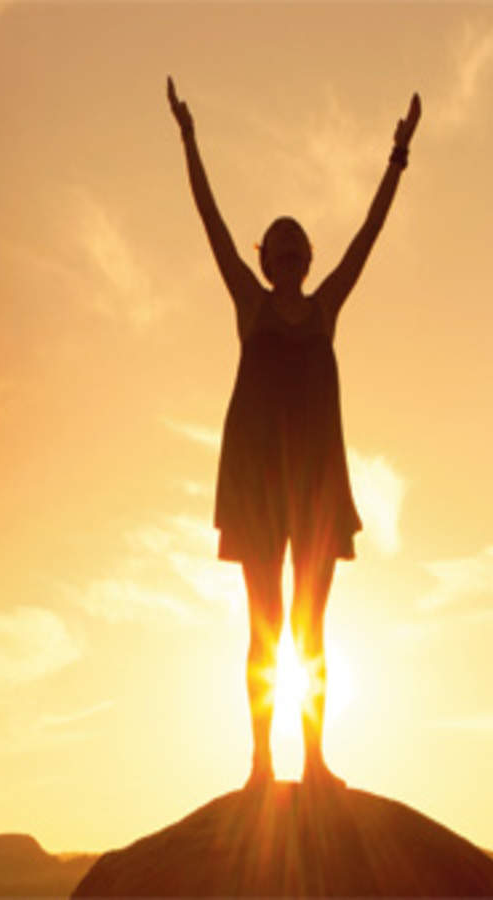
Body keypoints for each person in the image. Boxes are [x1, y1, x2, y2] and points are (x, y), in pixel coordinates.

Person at [167, 76, 420, 788]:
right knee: (263, 629)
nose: (286, 253)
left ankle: (312, 763)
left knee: (310, 631)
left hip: (312, 487)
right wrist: (189, 139)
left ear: (307, 258)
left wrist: (398, 156)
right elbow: (210, 220)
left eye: (295, 245)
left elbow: (370, 233)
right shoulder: (247, 304)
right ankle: (260, 765)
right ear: (266, 260)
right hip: (255, 484)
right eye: (276, 246)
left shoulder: (327, 307)